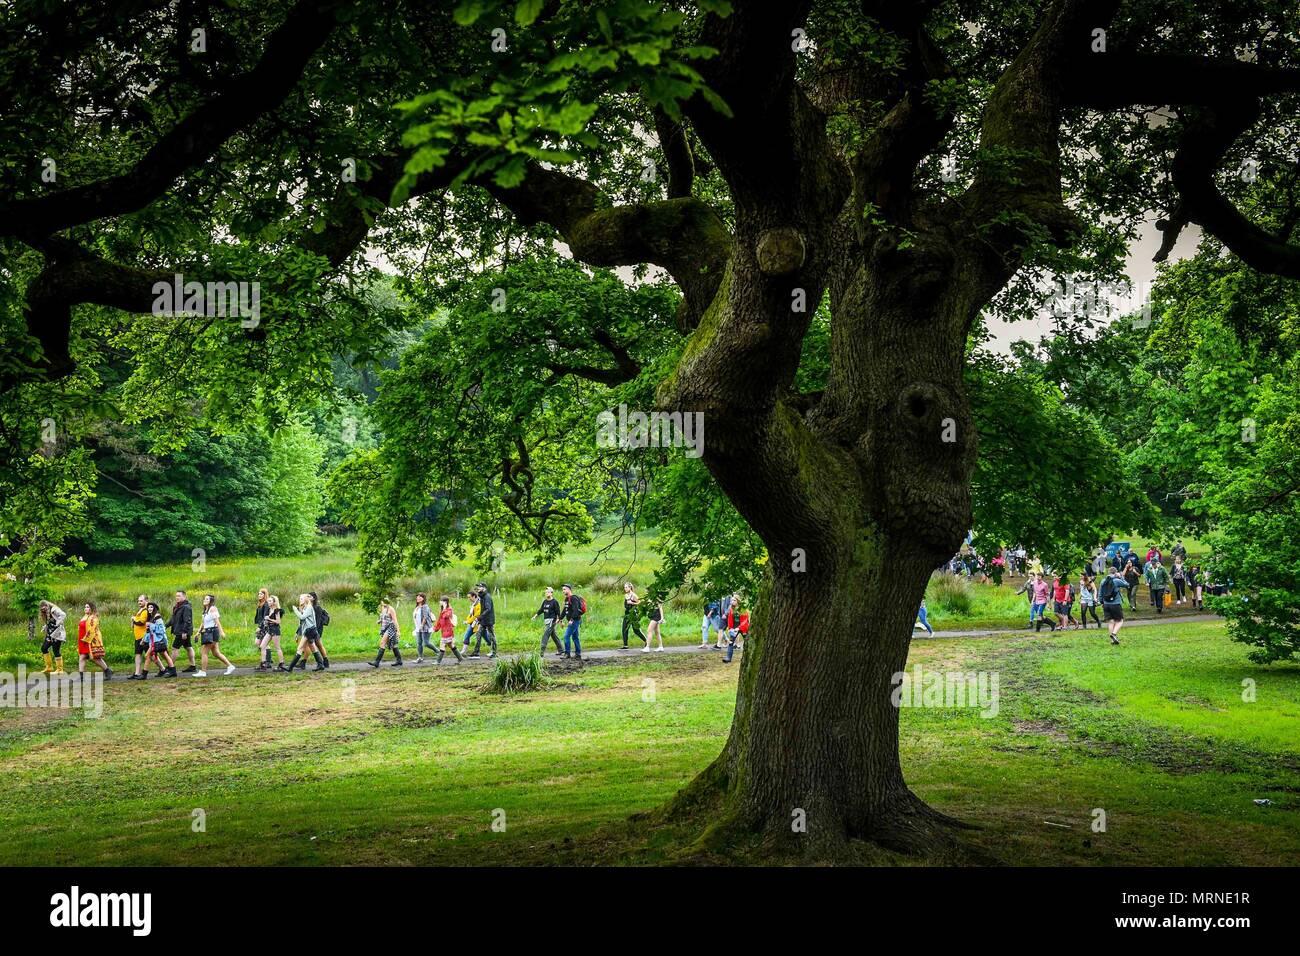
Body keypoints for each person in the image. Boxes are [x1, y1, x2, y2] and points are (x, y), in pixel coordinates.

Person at [194, 594, 236, 677]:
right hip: (207, 632)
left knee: (204, 652)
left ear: (210, 601)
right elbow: (203, 623)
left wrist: (222, 632)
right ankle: (230, 666)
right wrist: (198, 632)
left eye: (207, 599)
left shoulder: (212, 609)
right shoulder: (205, 611)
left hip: (212, 632)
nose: (204, 600)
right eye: (204, 598)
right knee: (216, 653)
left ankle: (203, 671)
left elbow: (217, 621)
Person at [285, 593, 325, 673]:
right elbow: (302, 622)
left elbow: (302, 617)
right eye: (300, 598)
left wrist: (295, 610)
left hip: (309, 631)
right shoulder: (306, 608)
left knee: (300, 648)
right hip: (310, 631)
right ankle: (321, 665)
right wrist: (297, 633)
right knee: (313, 648)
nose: (300, 600)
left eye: (301, 598)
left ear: (306, 599)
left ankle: (290, 668)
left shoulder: (309, 607)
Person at [76, 602, 112, 679]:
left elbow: (92, 630)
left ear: (92, 608)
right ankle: (81, 677)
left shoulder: (93, 618)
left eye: (88, 607)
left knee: (95, 658)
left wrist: (86, 639)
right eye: (85, 607)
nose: (85, 608)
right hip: (82, 640)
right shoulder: (84, 617)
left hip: (90, 640)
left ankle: (107, 670)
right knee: (82, 657)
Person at [145, 602, 177, 677]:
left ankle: (144, 674)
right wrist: (144, 639)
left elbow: (161, 630)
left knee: (150, 655)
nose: (149, 608)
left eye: (151, 607)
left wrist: (151, 625)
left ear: (155, 608)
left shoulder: (157, 617)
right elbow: (149, 631)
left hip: (160, 640)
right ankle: (165, 670)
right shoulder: (151, 617)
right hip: (153, 641)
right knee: (159, 656)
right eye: (148, 607)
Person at [368, 599, 404, 667]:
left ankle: (377, 662)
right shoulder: (383, 608)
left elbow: (395, 620)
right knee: (393, 645)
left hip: (391, 628)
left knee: (382, 643)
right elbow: (383, 617)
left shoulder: (391, 609)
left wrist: (398, 631)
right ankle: (399, 660)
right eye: (382, 602)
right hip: (384, 628)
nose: (382, 604)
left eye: (383, 602)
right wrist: (379, 621)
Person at [168, 590, 197, 672]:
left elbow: (187, 620)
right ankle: (193, 666)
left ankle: (171, 666)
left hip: (183, 631)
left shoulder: (186, 607)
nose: (177, 597)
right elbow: (173, 619)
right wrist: (165, 626)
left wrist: (184, 632)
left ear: (184, 597)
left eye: (179, 596)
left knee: (174, 648)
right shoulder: (177, 606)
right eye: (176, 596)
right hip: (181, 631)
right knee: (188, 647)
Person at [531, 586, 564, 656]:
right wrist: (535, 616)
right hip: (546, 621)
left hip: (552, 621)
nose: (546, 593)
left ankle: (541, 652)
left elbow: (558, 613)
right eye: (546, 592)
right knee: (554, 636)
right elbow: (541, 610)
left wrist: (561, 622)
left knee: (545, 635)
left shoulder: (555, 602)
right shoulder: (545, 602)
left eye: (548, 592)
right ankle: (561, 650)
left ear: (551, 593)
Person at [37, 600, 68, 675]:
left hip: (57, 633)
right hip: (50, 634)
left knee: (55, 650)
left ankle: (60, 669)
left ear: (47, 606)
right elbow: (49, 621)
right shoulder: (45, 613)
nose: (43, 610)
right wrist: (45, 627)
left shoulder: (54, 609)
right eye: (42, 610)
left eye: (44, 609)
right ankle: (49, 667)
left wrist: (59, 621)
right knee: (44, 648)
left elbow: (63, 614)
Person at [469, 583, 497, 659]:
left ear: (484, 588)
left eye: (480, 587)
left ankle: (494, 653)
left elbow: (488, 609)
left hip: (489, 620)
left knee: (492, 636)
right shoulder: (481, 596)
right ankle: (476, 652)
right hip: (483, 620)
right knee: (478, 634)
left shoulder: (487, 597)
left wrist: (480, 617)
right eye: (478, 586)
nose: (478, 588)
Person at [258, 595, 286, 670]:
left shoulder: (277, 610)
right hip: (269, 630)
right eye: (268, 601)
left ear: (274, 602)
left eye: (270, 601)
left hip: (275, 630)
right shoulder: (269, 610)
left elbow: (278, 621)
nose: (268, 602)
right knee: (262, 646)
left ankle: (281, 664)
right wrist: (266, 622)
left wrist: (269, 619)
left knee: (277, 647)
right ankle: (263, 664)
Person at [1098, 567, 1125, 644]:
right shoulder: (1116, 580)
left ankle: (1112, 640)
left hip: (1106, 604)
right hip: (1115, 603)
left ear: (1108, 572)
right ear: (1115, 572)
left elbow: (1100, 593)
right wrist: (1121, 577)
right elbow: (1127, 584)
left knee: (1111, 621)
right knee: (1120, 620)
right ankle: (1114, 634)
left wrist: (1101, 602)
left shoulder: (1103, 581)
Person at [434, 596, 463, 664]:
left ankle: (438, 661)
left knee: (442, 644)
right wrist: (435, 628)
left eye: (441, 601)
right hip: (444, 630)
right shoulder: (442, 610)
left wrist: (444, 608)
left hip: (448, 631)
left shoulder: (449, 609)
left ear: (445, 602)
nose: (439, 602)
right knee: (451, 645)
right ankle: (460, 658)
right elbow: (439, 621)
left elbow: (446, 616)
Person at [560, 583, 585, 660]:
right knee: (575, 637)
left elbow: (576, 610)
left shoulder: (574, 598)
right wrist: (560, 618)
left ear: (569, 589)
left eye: (564, 589)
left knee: (566, 636)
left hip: (575, 620)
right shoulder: (567, 599)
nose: (563, 591)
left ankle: (567, 654)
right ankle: (578, 654)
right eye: (562, 590)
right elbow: (565, 610)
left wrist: (572, 619)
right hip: (573, 621)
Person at [722, 597, 750, 664]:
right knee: (731, 642)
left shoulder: (743, 609)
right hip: (734, 627)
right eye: (731, 600)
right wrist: (730, 628)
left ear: (738, 601)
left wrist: (739, 628)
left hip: (743, 627)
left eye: (734, 600)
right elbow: (730, 619)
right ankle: (728, 658)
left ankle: (748, 658)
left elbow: (745, 620)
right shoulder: (731, 609)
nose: (732, 601)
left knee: (747, 642)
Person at [129, 594, 151, 680]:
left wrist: (134, 619)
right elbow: (136, 622)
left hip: (144, 637)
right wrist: (134, 620)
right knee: (138, 654)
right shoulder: (141, 610)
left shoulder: (146, 611)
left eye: (141, 601)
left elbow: (141, 622)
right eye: (138, 601)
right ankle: (137, 673)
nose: (139, 602)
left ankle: (162, 669)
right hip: (138, 637)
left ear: (146, 601)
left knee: (150, 655)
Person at [621, 582, 647, 649]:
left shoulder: (634, 595)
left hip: (633, 614)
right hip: (627, 614)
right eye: (624, 587)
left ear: (630, 587)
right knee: (624, 629)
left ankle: (647, 641)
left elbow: (639, 603)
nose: (625, 588)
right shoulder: (626, 595)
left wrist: (632, 603)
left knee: (636, 630)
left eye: (626, 587)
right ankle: (625, 645)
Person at [412, 592, 435, 662]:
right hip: (418, 628)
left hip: (425, 628)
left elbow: (425, 617)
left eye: (420, 597)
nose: (418, 598)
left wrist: (422, 625)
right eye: (417, 597)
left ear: (423, 599)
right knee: (419, 643)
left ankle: (438, 651)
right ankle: (420, 658)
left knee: (426, 643)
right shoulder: (416, 607)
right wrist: (417, 626)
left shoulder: (425, 606)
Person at [253, 588, 269, 653]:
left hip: (264, 626)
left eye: (261, 594)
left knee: (260, 643)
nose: (259, 595)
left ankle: (267, 659)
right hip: (261, 625)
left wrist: (260, 627)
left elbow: (265, 617)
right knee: (259, 643)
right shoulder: (260, 604)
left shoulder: (266, 604)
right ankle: (267, 659)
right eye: (259, 594)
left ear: (264, 595)